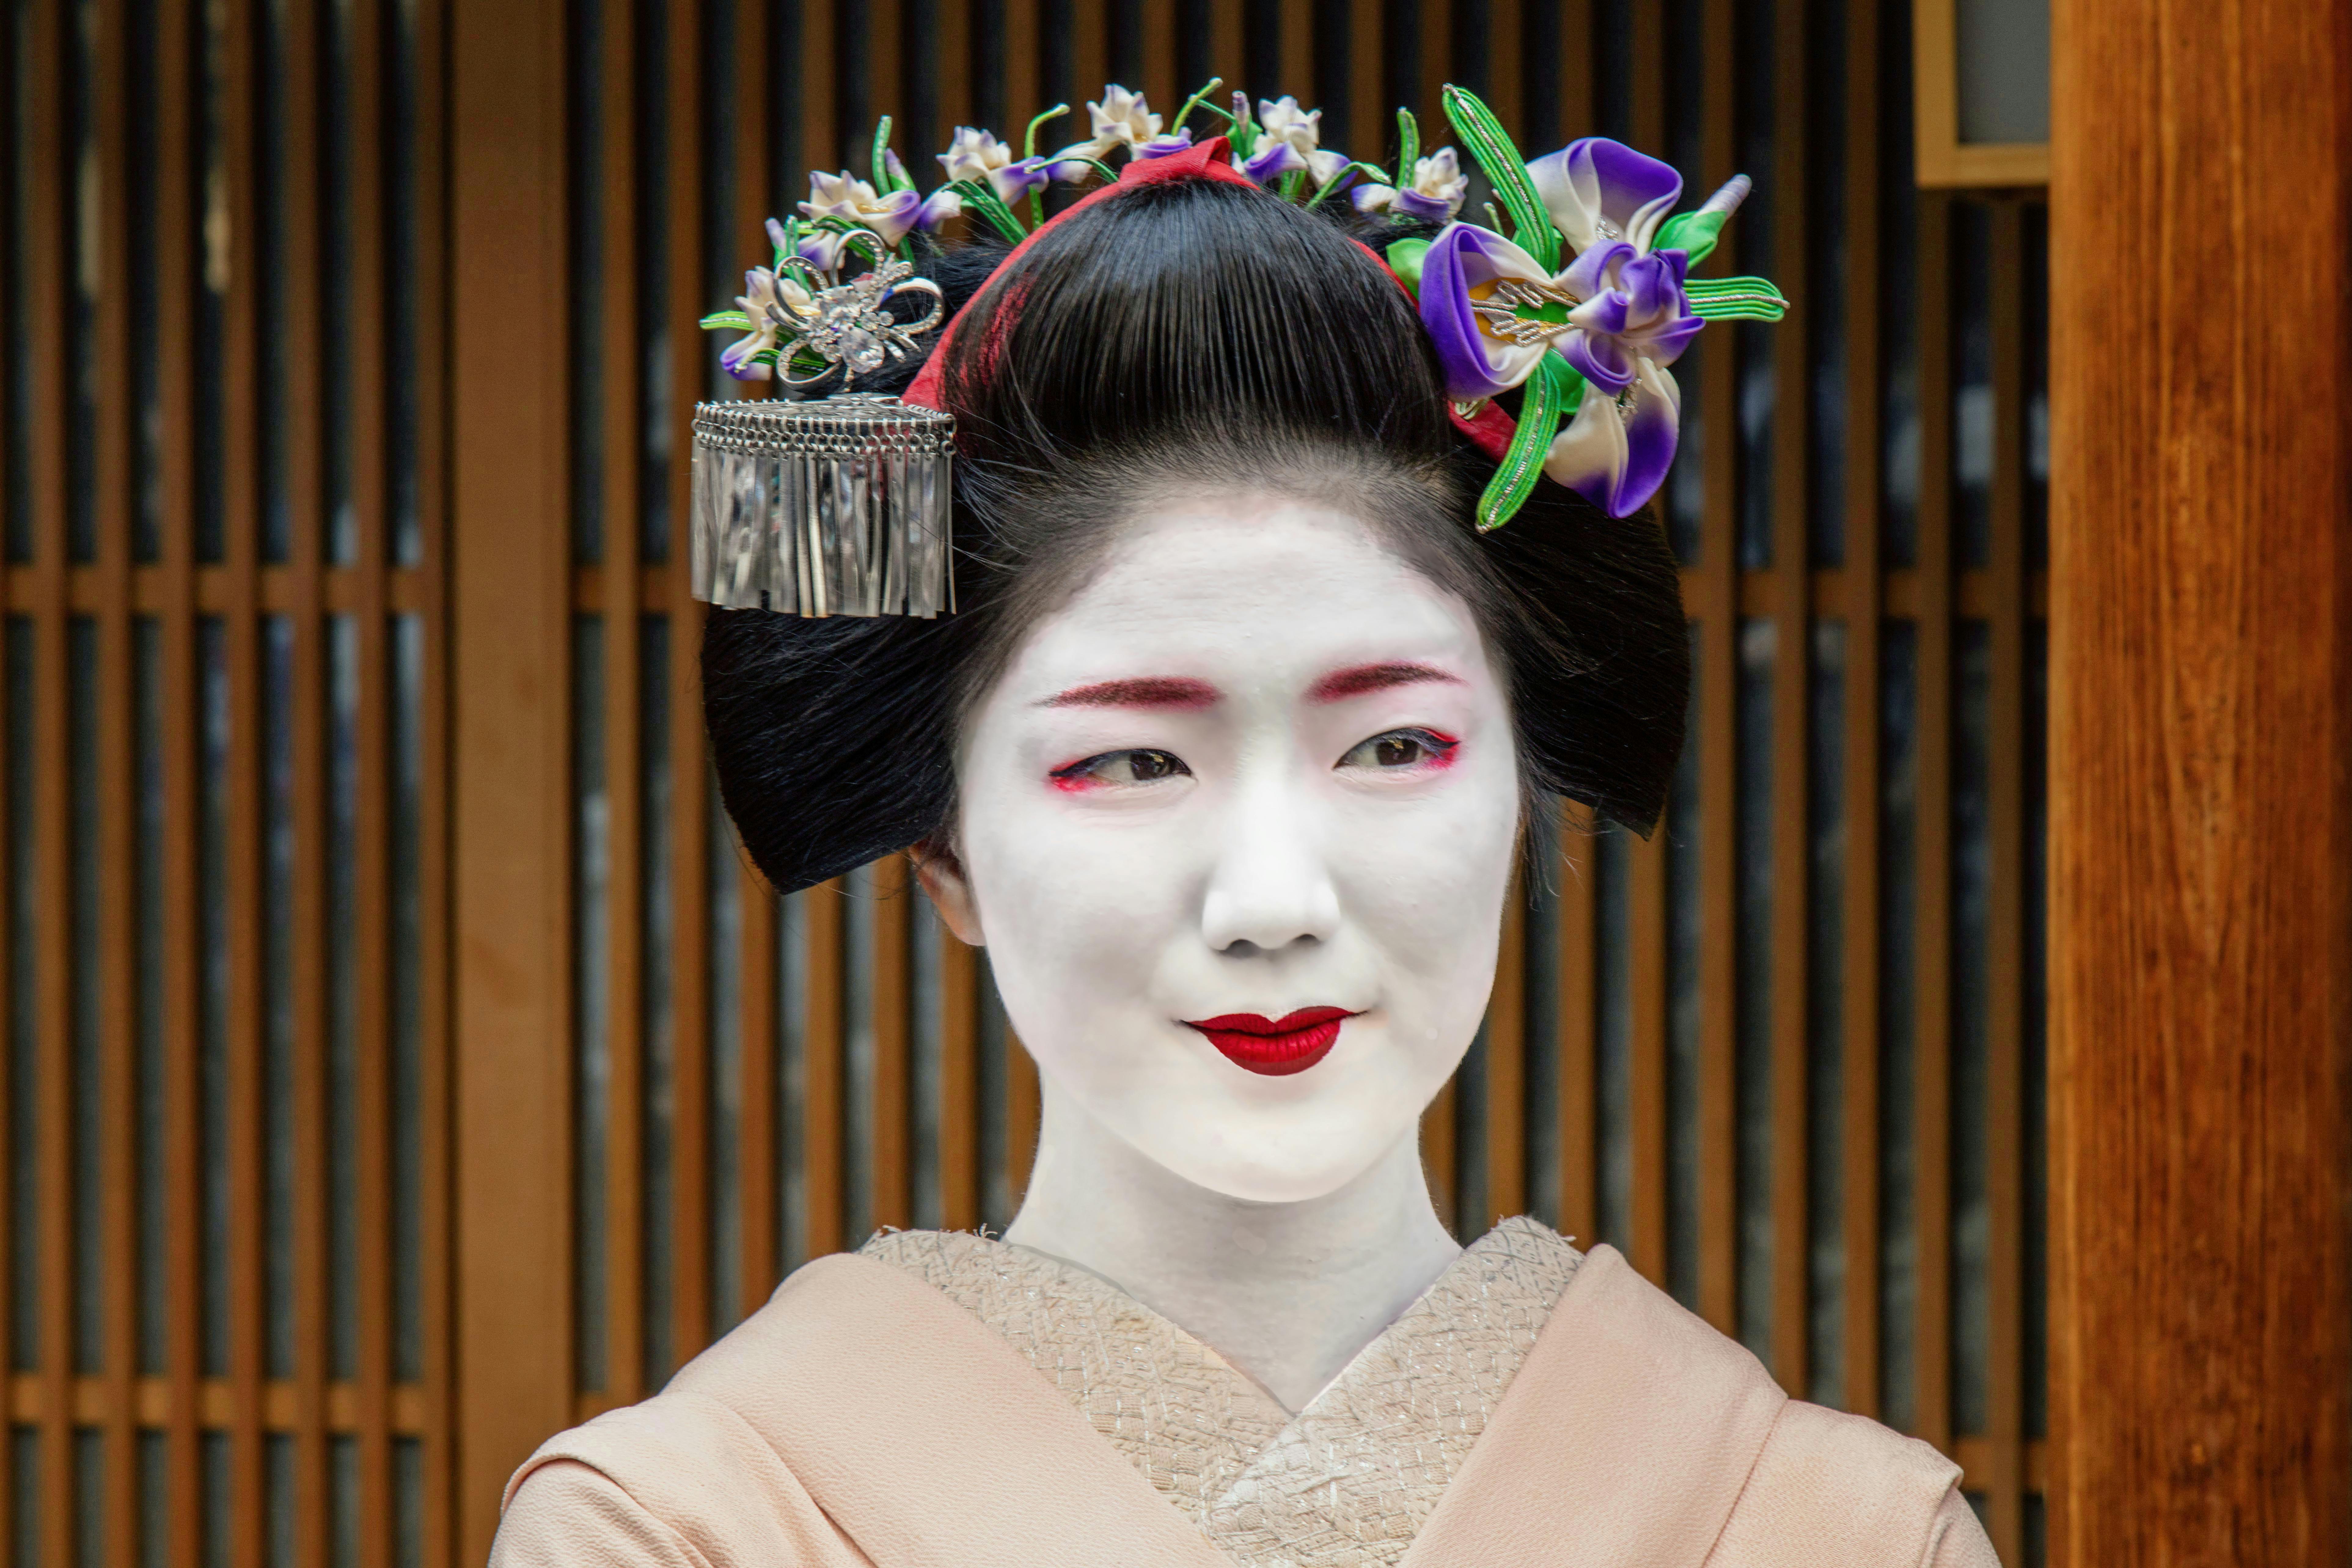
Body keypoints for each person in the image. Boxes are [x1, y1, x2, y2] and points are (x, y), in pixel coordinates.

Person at [488, 90, 1999, 1567]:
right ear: (941, 847)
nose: (1272, 900)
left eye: (1394, 744)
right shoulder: (676, 1526)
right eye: (1130, 759)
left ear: (1523, 786)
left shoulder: (1841, 1529)